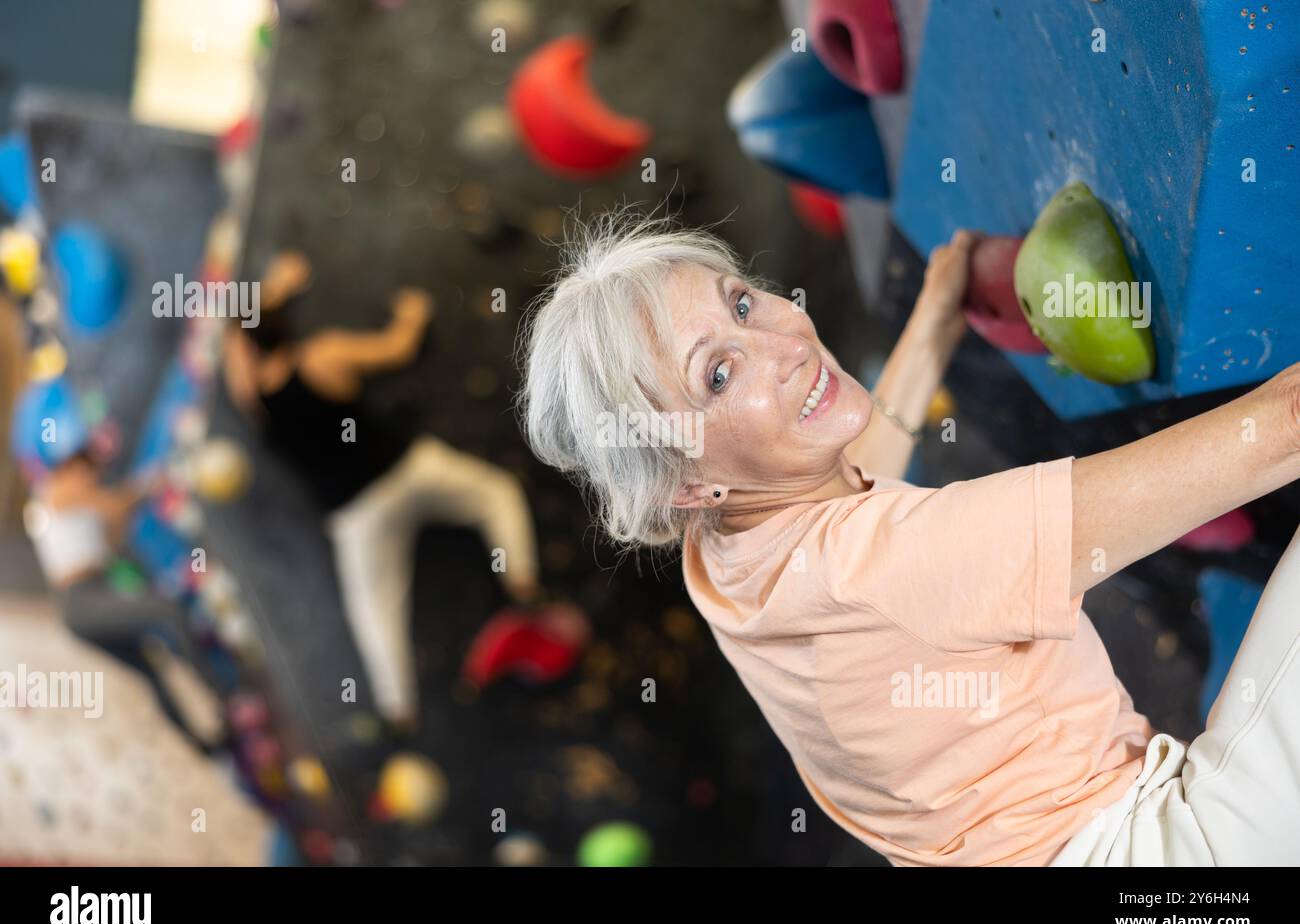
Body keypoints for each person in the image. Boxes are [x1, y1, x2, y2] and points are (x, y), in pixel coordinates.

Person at [518, 208, 1300, 866]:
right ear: (688, 483)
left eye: (743, 304)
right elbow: (1280, 431)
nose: (787, 345)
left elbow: (854, 468)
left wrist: (934, 320)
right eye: (719, 374)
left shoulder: (724, 552)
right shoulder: (899, 560)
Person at [223, 251, 544, 728]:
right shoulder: (322, 355)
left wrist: (273, 290)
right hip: (404, 470)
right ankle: (521, 578)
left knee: (374, 613)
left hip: (357, 516)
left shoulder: (252, 401)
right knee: (497, 493)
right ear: (284, 330)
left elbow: (235, 338)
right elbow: (399, 347)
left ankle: (399, 709)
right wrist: (412, 314)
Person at [24, 449, 224, 748]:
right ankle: (224, 693)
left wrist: (138, 496)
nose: (94, 480)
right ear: (73, 468)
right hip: (82, 602)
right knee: (167, 612)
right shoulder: (57, 490)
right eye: (90, 473)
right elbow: (113, 504)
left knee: (150, 668)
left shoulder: (79, 507)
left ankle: (201, 743)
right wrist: (146, 486)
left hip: (90, 599)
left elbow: (115, 525)